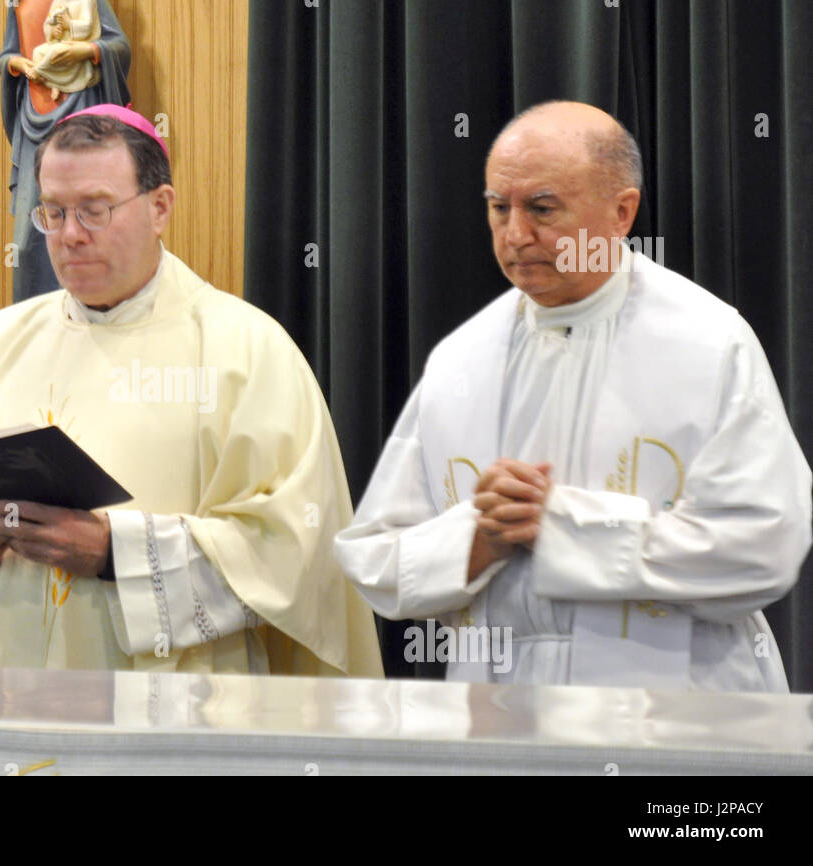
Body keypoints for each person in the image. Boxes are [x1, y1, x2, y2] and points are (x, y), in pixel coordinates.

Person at [0, 106, 383, 677]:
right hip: (0, 702)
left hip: (169, 722)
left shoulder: (247, 352)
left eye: (94, 210)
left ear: (160, 207)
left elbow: (294, 549)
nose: (69, 236)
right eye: (53, 212)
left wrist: (115, 552)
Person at [335, 101, 811, 692]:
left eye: (541, 209)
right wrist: (480, 538)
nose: (515, 235)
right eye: (498, 208)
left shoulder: (709, 341)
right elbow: (376, 562)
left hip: (677, 700)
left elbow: (767, 545)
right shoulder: (461, 358)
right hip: (502, 701)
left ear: (621, 211)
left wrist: (569, 526)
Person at [0, 0, 130, 303]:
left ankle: (86, 313)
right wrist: (18, 65)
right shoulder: (17, 3)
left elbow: (118, 46)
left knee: (84, 222)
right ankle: (33, 324)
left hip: (80, 116)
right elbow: (7, 55)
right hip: (34, 119)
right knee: (27, 241)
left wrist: (87, 51)